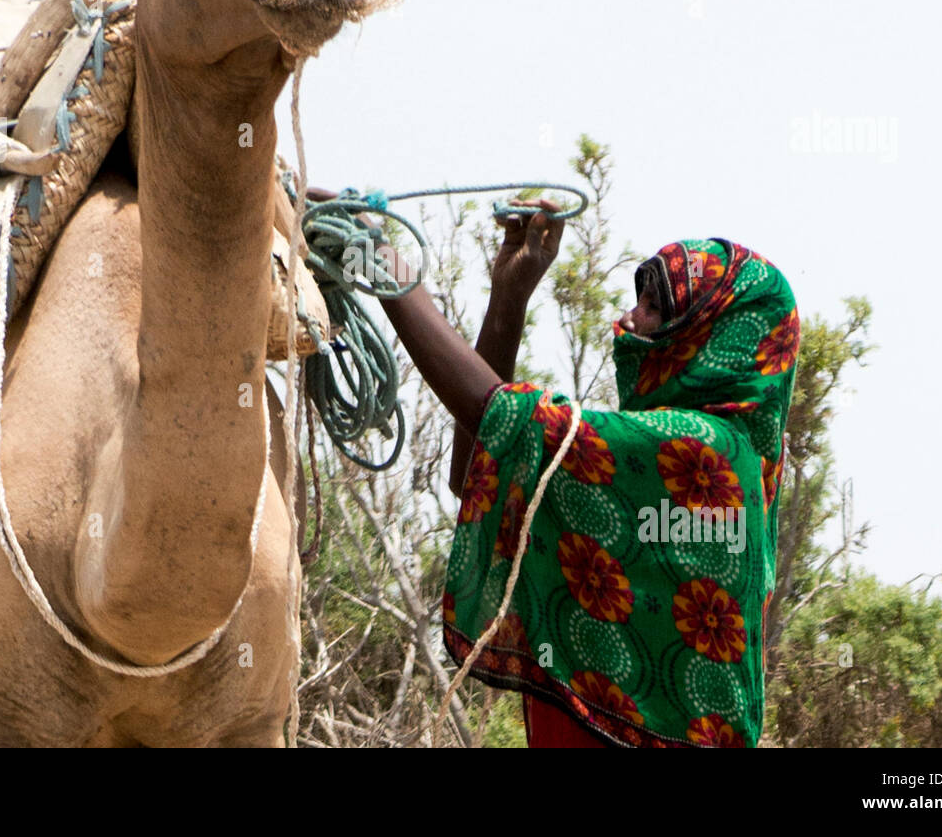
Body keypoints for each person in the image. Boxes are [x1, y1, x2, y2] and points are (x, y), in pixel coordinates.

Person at [310, 191, 800, 747]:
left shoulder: (706, 456)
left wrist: (382, 260)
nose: (630, 319)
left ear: (713, 340)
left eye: (654, 308)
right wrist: (509, 295)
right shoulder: (675, 464)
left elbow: (497, 414)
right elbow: (477, 468)